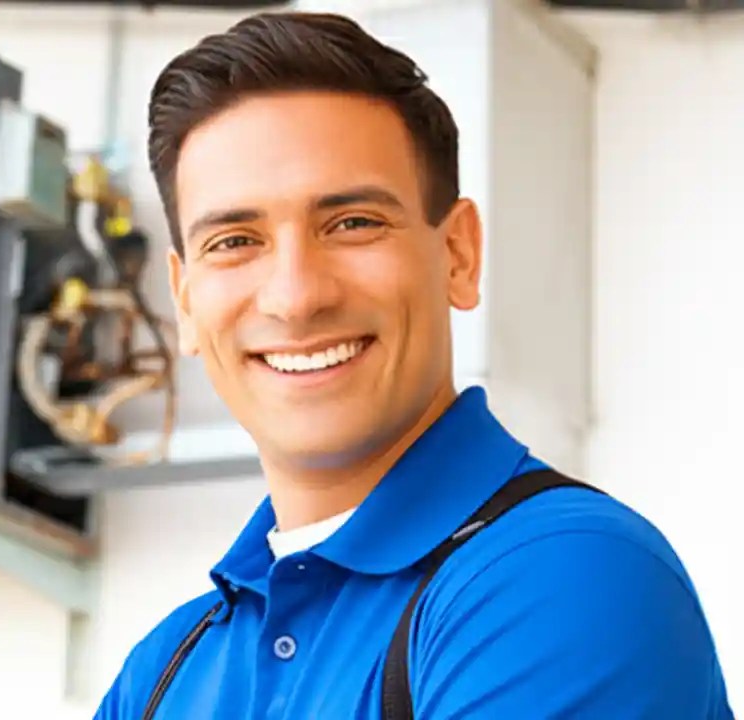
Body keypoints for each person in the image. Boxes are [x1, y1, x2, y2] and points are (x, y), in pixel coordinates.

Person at [94, 11, 733, 720]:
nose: (296, 296)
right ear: (185, 301)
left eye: (352, 224)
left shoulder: (562, 574)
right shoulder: (163, 672)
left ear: (457, 253)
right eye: (236, 241)